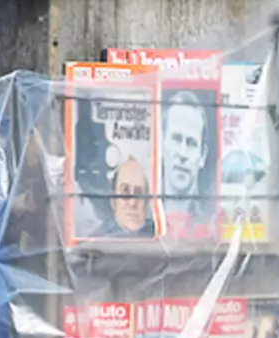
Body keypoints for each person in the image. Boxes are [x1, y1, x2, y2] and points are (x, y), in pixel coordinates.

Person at [161, 90, 212, 236]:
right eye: (176, 139)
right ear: (161, 143)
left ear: (202, 156)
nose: (182, 154)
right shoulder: (142, 215)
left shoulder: (212, 220)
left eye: (191, 143)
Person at [90, 157, 154, 238]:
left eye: (139, 193)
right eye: (125, 191)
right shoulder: (96, 242)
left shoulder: (159, 239)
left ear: (146, 202)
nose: (132, 203)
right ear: (113, 199)